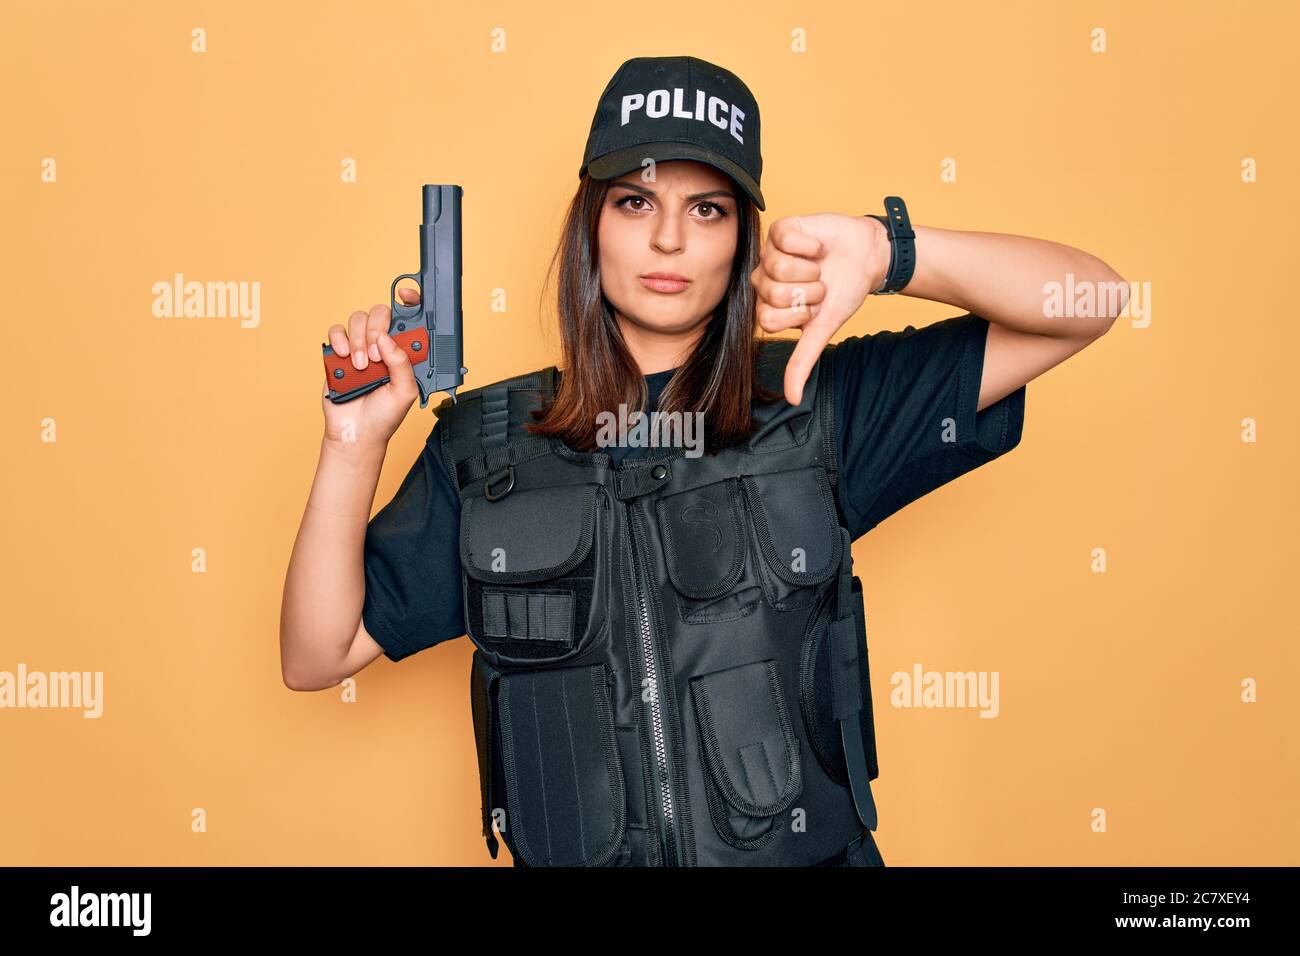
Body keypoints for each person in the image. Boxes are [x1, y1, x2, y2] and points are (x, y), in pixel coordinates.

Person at [280, 55, 1126, 867]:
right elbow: (316, 654)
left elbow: (1089, 303)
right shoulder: (488, 445)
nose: (672, 240)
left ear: (742, 239)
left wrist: (890, 251)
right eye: (637, 202)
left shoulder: (814, 401)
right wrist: (352, 447)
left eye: (709, 209)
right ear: (592, 228)